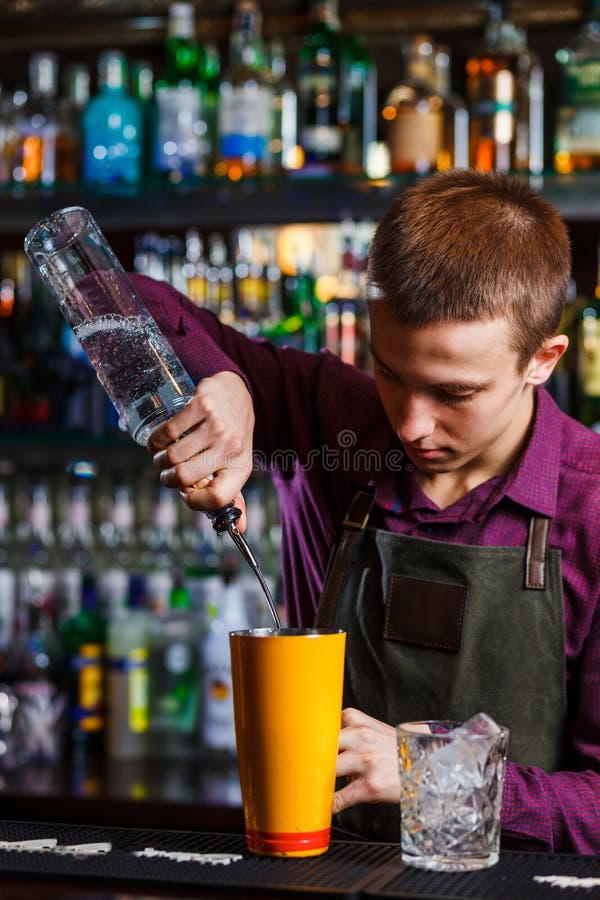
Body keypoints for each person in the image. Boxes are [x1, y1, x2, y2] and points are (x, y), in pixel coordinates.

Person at [132, 168, 600, 855]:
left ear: (543, 358)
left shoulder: (591, 507)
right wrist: (225, 380)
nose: (410, 424)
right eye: (390, 372)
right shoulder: (332, 419)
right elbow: (110, 290)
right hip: (317, 875)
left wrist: (435, 774)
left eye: (454, 393)